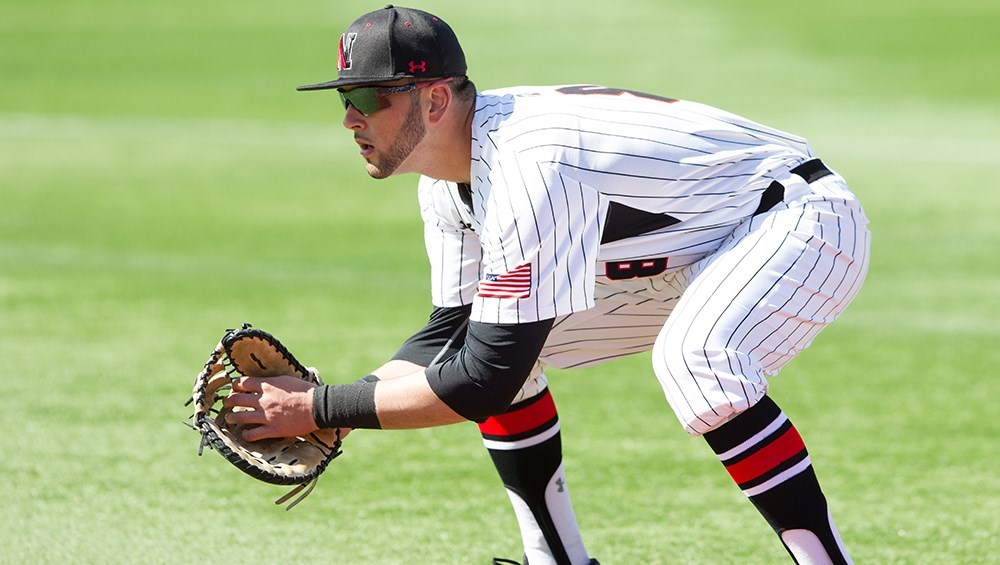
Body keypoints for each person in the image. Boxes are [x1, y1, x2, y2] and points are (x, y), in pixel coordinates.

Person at [223, 5, 870, 564]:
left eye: (370, 98)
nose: (350, 120)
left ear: (437, 100)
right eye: (346, 99)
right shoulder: (445, 187)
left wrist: (321, 408)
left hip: (800, 220)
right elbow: (452, 334)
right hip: (692, 251)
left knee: (698, 362)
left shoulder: (530, 166)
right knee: (497, 335)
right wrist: (339, 408)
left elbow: (485, 381)